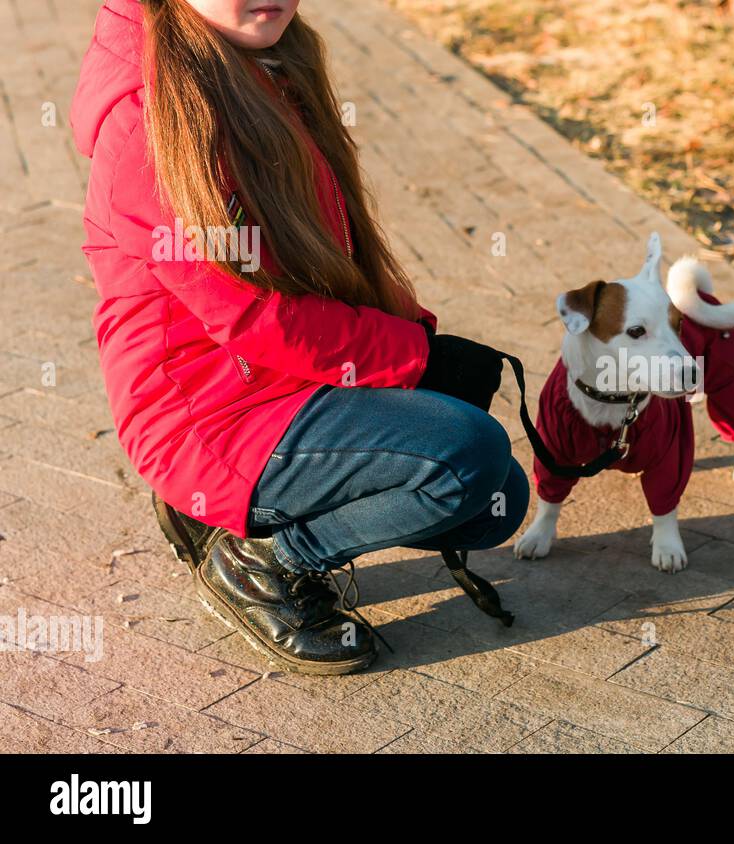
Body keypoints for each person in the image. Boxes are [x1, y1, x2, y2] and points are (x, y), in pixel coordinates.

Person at [70, 0, 527, 675]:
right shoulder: (152, 116)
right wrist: (412, 357)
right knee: (466, 459)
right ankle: (261, 563)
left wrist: (416, 337)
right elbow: (248, 313)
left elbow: (330, 256)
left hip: (278, 375)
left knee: (495, 504)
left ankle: (228, 514)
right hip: (206, 412)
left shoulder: (264, 59)